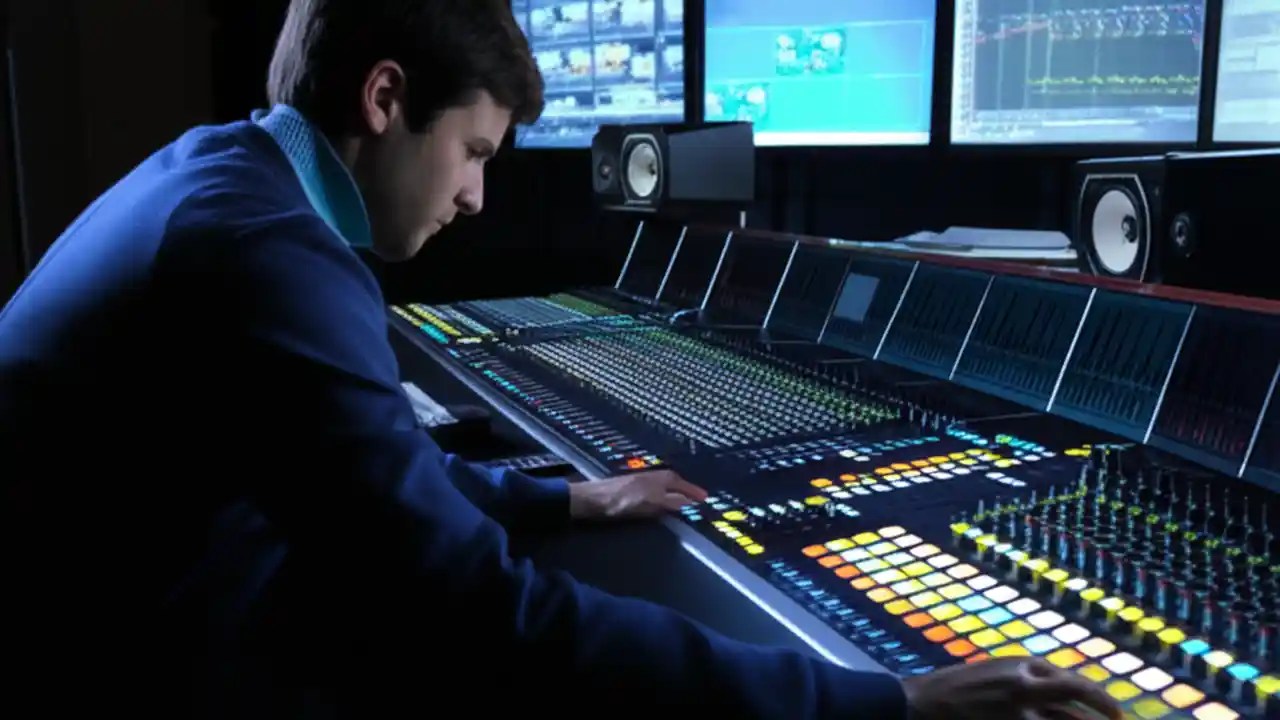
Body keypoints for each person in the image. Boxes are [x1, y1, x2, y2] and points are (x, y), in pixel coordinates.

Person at [0, 1, 1123, 718]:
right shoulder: (269, 252)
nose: (478, 195)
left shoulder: (219, 175)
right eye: (475, 150)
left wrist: (556, 502)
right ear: (386, 99)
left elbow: (348, 464)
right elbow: (473, 612)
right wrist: (880, 702)